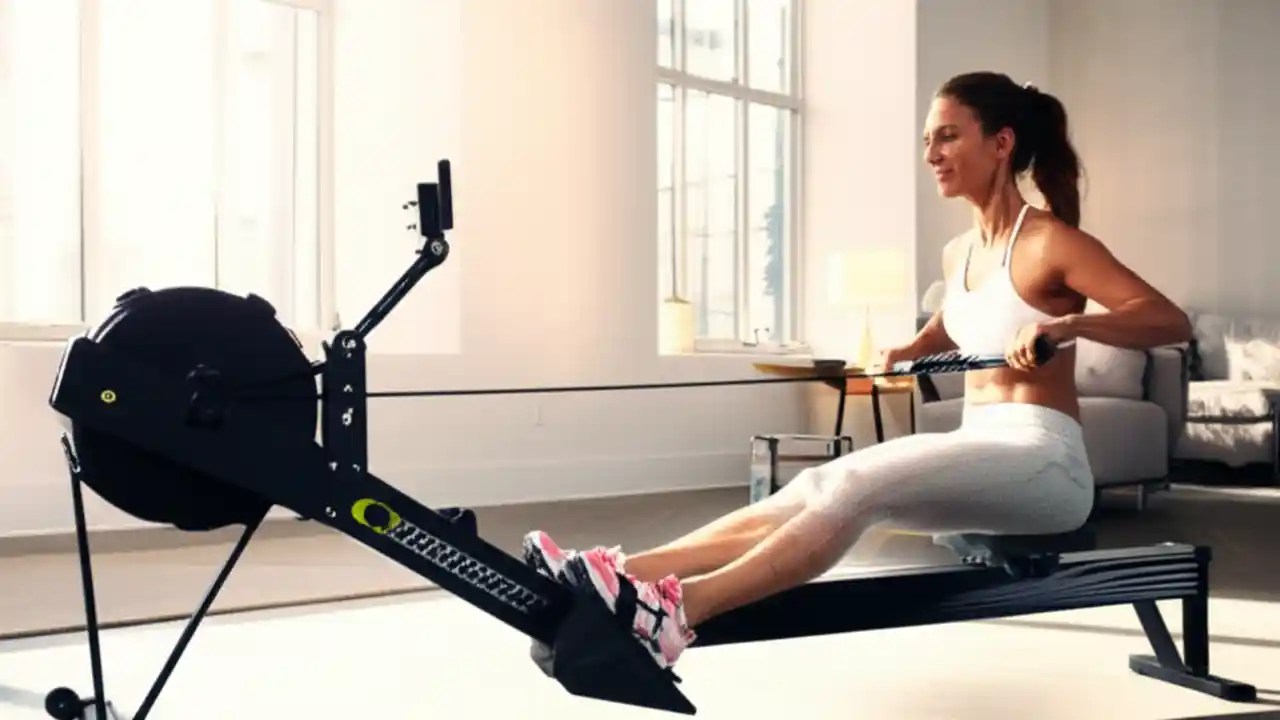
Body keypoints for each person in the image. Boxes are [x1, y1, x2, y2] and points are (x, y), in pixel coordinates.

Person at [521, 70, 1193, 674]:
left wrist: (1069, 327)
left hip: (1046, 464)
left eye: (948, 136)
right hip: (980, 444)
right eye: (927, 140)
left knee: (856, 486)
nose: (931, 154)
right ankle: (615, 574)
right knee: (820, 482)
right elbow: (963, 318)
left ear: (1001, 143)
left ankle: (677, 613)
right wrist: (911, 346)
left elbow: (1166, 319)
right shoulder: (959, 251)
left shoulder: (1052, 242)